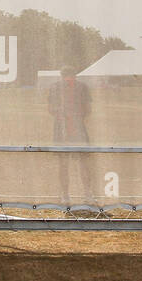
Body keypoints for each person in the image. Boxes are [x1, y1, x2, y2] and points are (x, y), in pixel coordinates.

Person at [48, 66, 96, 205]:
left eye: (71, 77)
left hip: (77, 129)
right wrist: (63, 111)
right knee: (66, 164)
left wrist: (75, 114)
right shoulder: (56, 88)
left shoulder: (81, 87)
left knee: (81, 163)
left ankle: (85, 193)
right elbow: (51, 109)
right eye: (67, 78)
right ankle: (67, 195)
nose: (69, 80)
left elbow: (88, 109)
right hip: (62, 130)